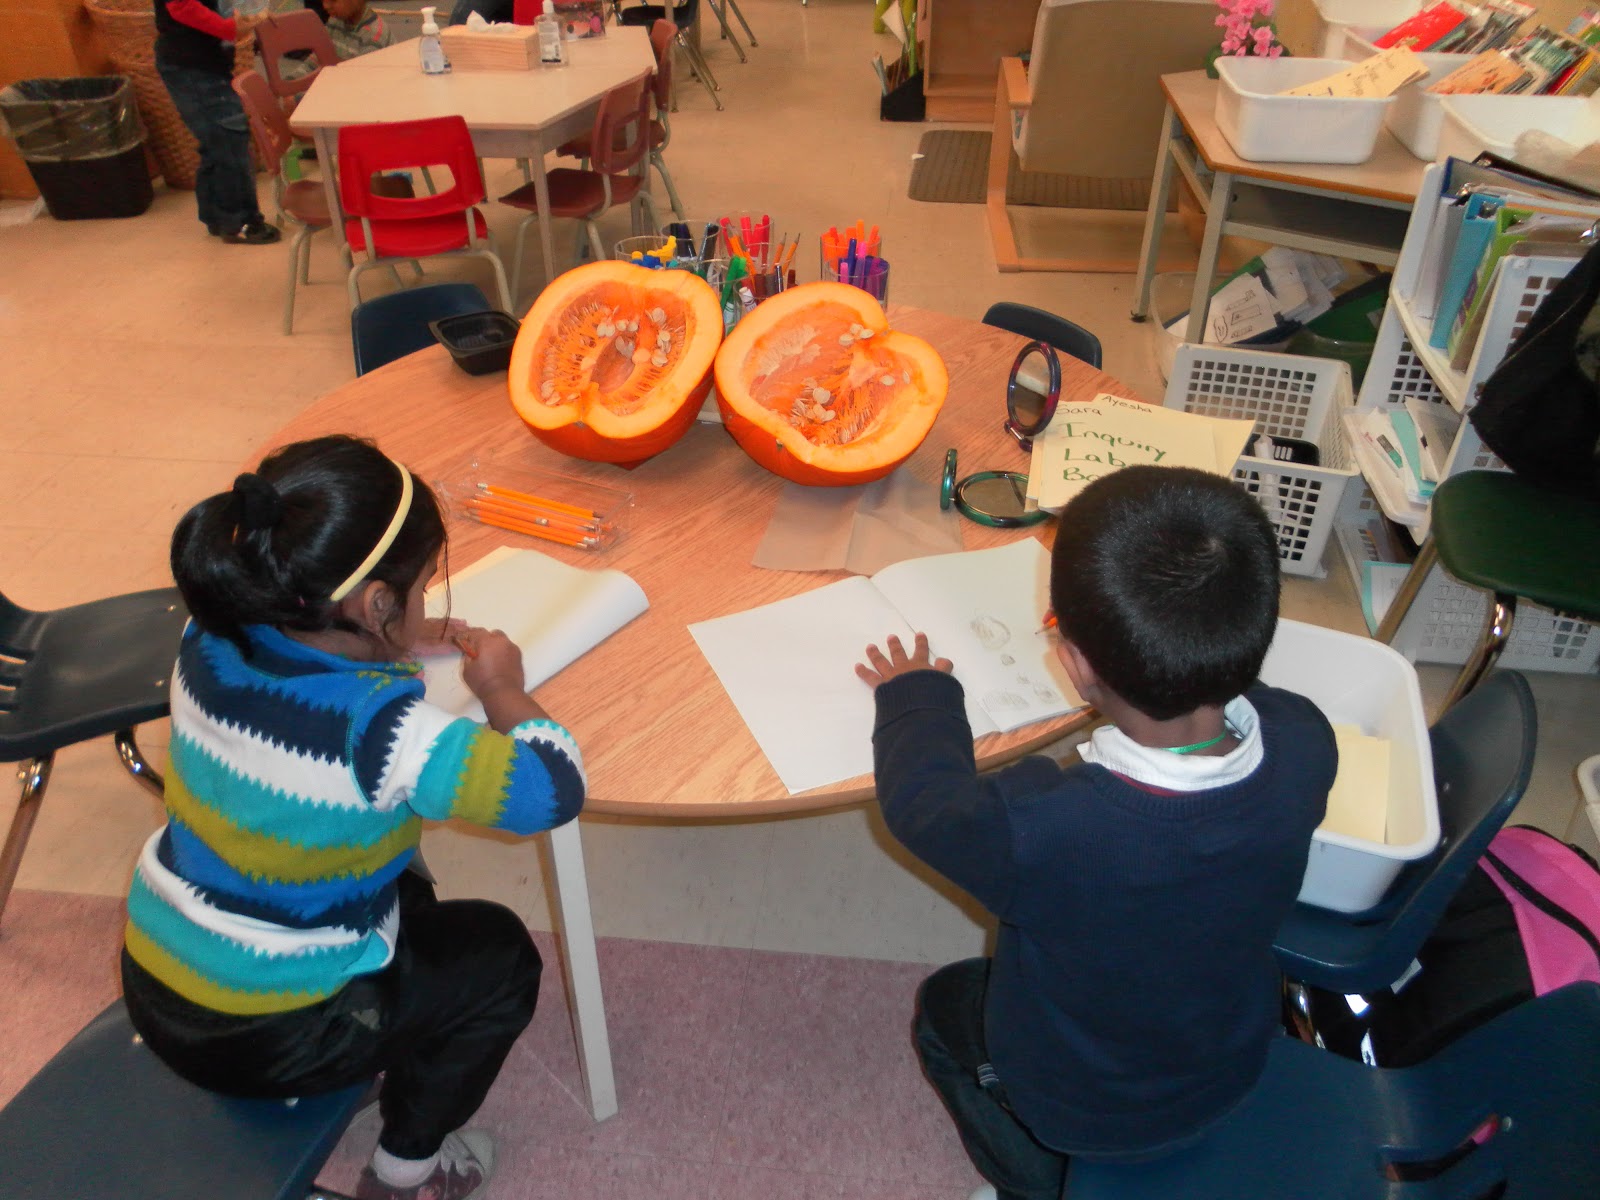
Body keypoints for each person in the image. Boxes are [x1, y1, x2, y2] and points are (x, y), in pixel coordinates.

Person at [120, 435, 586, 1200]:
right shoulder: (388, 733)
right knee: (502, 959)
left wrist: (395, 639)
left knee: (410, 888)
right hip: (273, 1032)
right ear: (373, 605)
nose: (428, 604)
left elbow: (302, 683)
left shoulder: (208, 634)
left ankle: (377, 1043)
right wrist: (503, 688)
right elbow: (551, 791)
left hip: (163, 972)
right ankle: (409, 1170)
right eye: (420, 591)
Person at [854, 465, 1337, 1200]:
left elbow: (925, 806)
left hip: (1085, 1109)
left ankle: (1043, 1180)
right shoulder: (1306, 739)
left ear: (1075, 664)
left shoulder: (1044, 827)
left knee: (946, 1009)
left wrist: (917, 696)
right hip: (1232, 1050)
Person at [154, 0, 281, 244]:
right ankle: (240, 222)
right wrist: (230, 27)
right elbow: (181, 6)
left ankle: (218, 216)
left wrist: (250, 14)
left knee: (216, 141)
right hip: (192, 66)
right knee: (228, 139)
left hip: (205, 63)